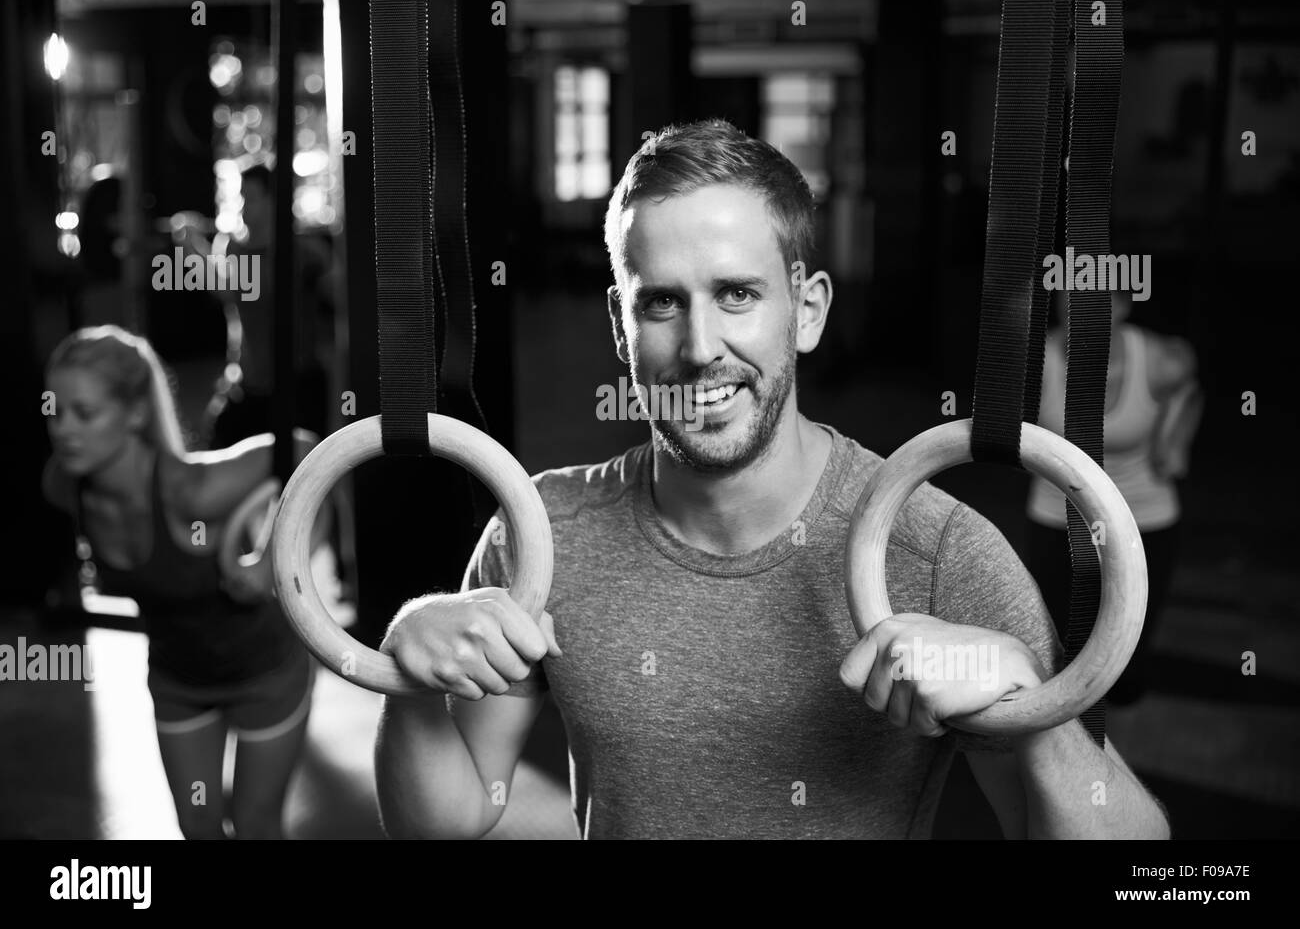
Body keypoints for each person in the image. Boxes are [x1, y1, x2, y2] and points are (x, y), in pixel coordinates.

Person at [374, 120, 1170, 839]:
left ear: (808, 309)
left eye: (737, 294)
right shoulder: (544, 534)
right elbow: (451, 817)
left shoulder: (935, 552)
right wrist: (405, 678)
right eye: (661, 304)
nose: (700, 346)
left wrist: (1031, 708)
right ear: (621, 326)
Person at [42, 325, 315, 839]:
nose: (63, 430)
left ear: (136, 414)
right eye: (54, 411)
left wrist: (279, 561)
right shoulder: (64, 486)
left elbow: (305, 451)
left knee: (255, 825)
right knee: (199, 826)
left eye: (84, 413)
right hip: (178, 681)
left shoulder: (193, 491)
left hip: (265, 675)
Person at [1026, 290, 1202, 705]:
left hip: (1143, 518)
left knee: (1128, 657)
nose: (1074, 312)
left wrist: (1172, 441)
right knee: (1058, 646)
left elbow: (1190, 390)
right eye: (1066, 301)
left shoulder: (1162, 359)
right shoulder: (1038, 360)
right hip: (1059, 517)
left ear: (1122, 305)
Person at [204, 163, 334, 448]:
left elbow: (339, 301)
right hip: (251, 387)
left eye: (250, 197)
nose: (242, 206)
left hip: (298, 387)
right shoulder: (232, 248)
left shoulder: (306, 252)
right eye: (241, 197)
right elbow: (226, 292)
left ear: (273, 200)